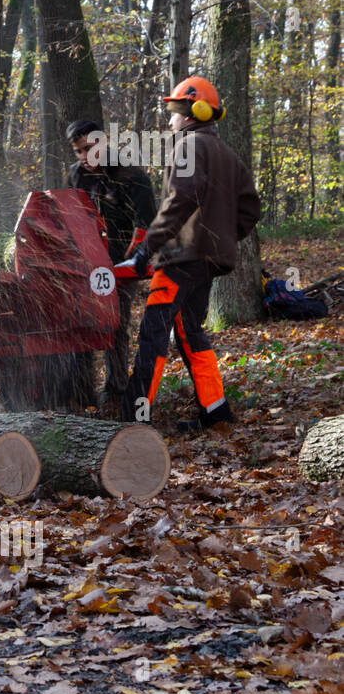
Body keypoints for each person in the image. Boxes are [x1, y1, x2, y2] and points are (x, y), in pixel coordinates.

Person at [121, 77, 261, 433]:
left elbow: (180, 199)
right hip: (208, 261)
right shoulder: (229, 155)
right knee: (189, 330)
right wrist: (224, 239)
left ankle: (133, 419)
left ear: (192, 112)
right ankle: (215, 412)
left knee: (153, 332)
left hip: (181, 259)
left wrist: (147, 248)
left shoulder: (188, 147)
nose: (169, 121)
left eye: (173, 113)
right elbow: (250, 209)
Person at [65, 119, 157, 411]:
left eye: (89, 148)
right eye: (78, 151)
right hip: (83, 263)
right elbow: (69, 219)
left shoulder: (131, 174)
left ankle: (116, 388)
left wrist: (130, 262)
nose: (84, 157)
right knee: (81, 323)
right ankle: (82, 392)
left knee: (114, 324)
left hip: (122, 260)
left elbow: (146, 224)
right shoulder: (75, 176)